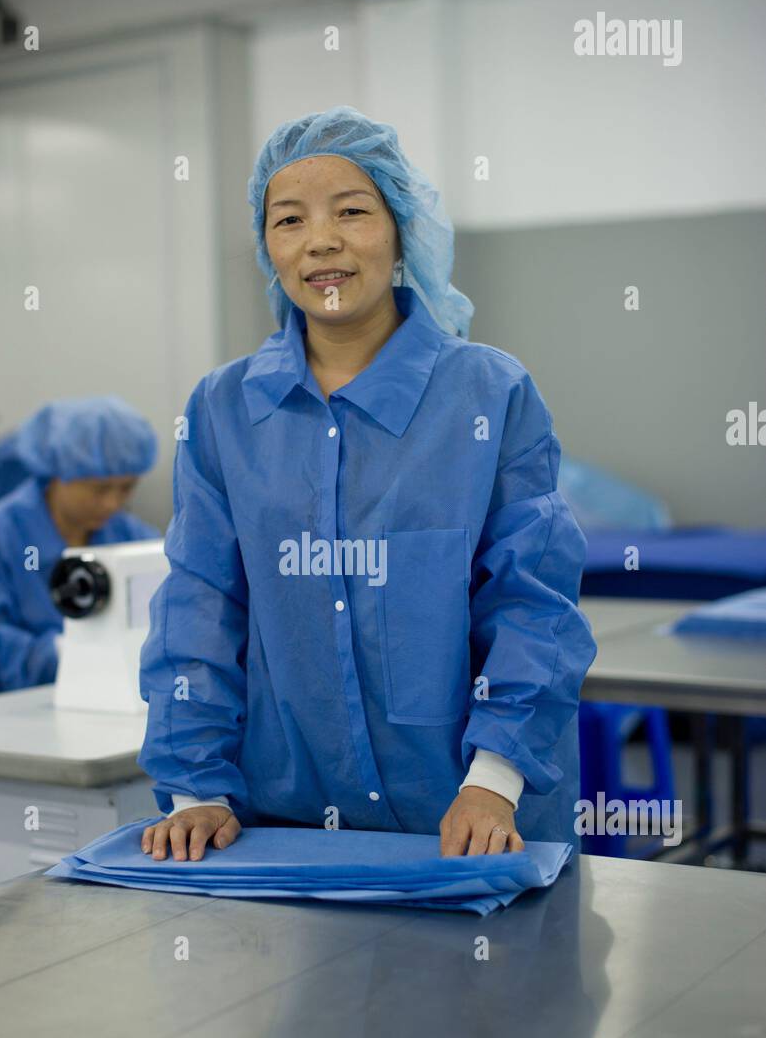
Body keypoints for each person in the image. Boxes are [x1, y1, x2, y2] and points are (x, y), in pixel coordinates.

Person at [139, 105, 597, 863]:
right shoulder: (222, 410)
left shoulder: (488, 393)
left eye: (351, 211)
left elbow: (531, 601)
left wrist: (494, 777)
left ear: (401, 229)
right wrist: (196, 787)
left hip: (469, 822)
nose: (320, 240)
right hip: (283, 827)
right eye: (288, 220)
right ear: (268, 249)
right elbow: (201, 602)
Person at [0, 397, 159, 705]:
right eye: (99, 489)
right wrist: (66, 655)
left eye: (126, 488)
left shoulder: (131, 536)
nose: (112, 503)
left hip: (96, 708)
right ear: (58, 474)